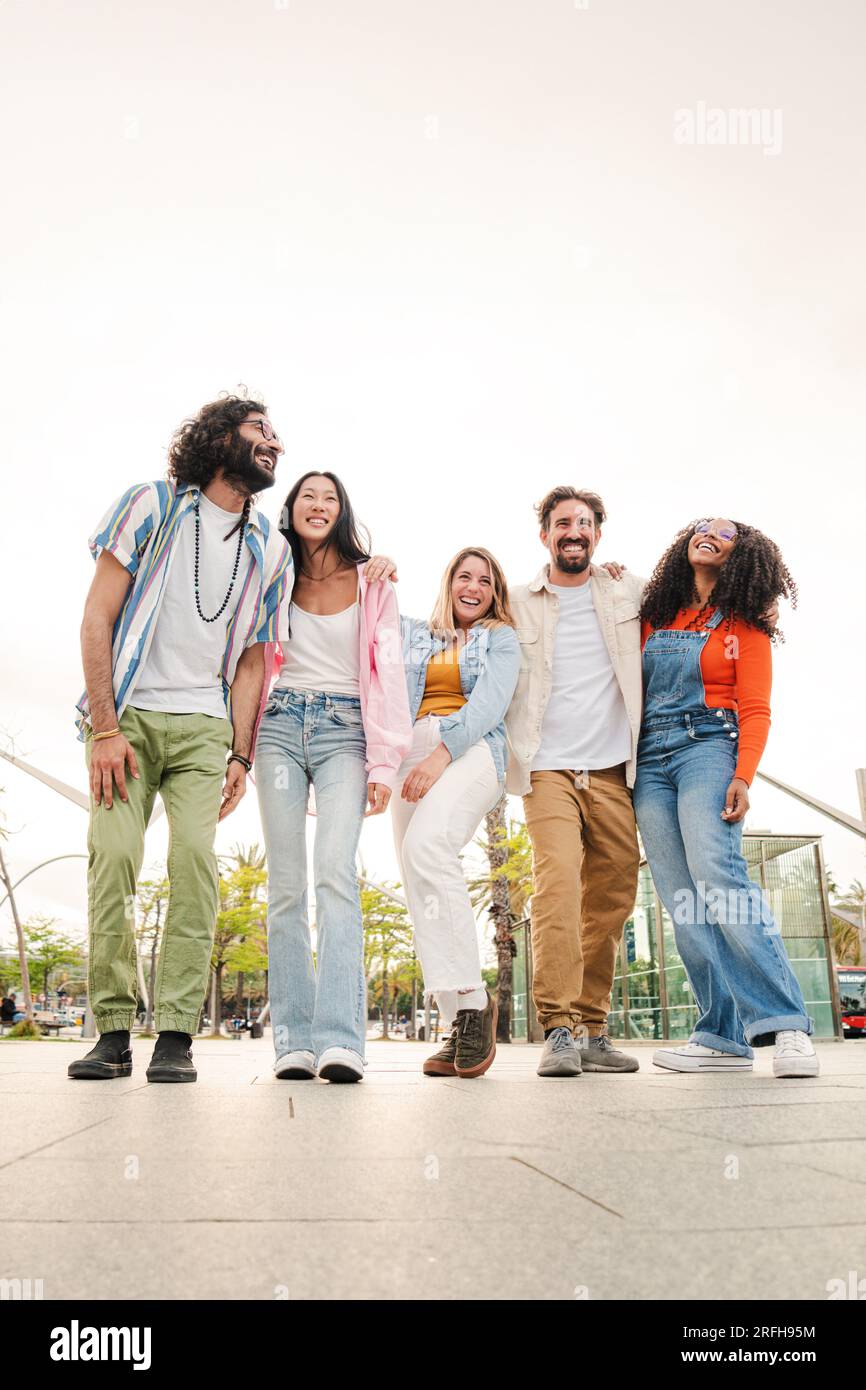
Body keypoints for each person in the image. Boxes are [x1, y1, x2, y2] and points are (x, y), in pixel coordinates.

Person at [69, 394, 291, 1084]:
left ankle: (175, 1035)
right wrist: (105, 728)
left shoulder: (271, 549)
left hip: (204, 729)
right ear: (219, 438)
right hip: (127, 718)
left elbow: (254, 659)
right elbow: (96, 619)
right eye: (260, 430)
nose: (274, 443)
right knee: (114, 857)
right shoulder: (152, 506)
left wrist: (240, 753)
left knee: (195, 861)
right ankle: (110, 1031)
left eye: (277, 436)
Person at [634, 516, 818, 1078]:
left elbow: (756, 706)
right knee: (680, 894)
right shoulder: (655, 615)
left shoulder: (746, 621)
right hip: (648, 758)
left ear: (743, 554)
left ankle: (786, 1026)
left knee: (719, 876)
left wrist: (744, 775)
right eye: (699, 526)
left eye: (724, 532)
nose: (707, 533)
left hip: (708, 746)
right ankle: (720, 1033)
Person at [254, 472, 412, 1084]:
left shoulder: (374, 581)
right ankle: (291, 1041)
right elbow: (246, 654)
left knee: (335, 878)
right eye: (306, 497)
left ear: (342, 510)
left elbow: (391, 672)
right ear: (290, 510)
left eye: (330, 498)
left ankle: (342, 1041)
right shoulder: (270, 571)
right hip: (278, 727)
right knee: (287, 884)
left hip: (347, 729)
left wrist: (384, 761)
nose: (318, 506)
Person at [506, 487, 643, 1078]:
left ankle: (592, 1027)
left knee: (612, 900)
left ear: (597, 535)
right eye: (562, 523)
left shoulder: (627, 591)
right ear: (545, 535)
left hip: (614, 769)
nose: (573, 532)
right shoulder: (516, 601)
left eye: (584, 524)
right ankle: (558, 1029)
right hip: (548, 768)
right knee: (557, 886)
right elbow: (452, 622)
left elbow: (699, 594)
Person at [394, 548, 521, 1079]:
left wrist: (440, 754)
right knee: (418, 879)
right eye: (464, 577)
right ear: (448, 583)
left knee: (429, 847)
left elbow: (490, 705)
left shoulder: (501, 639)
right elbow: (355, 605)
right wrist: (373, 564)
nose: (473, 588)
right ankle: (457, 1021)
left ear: (495, 592)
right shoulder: (415, 632)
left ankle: (472, 1003)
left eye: (484, 581)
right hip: (409, 751)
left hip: (471, 750)